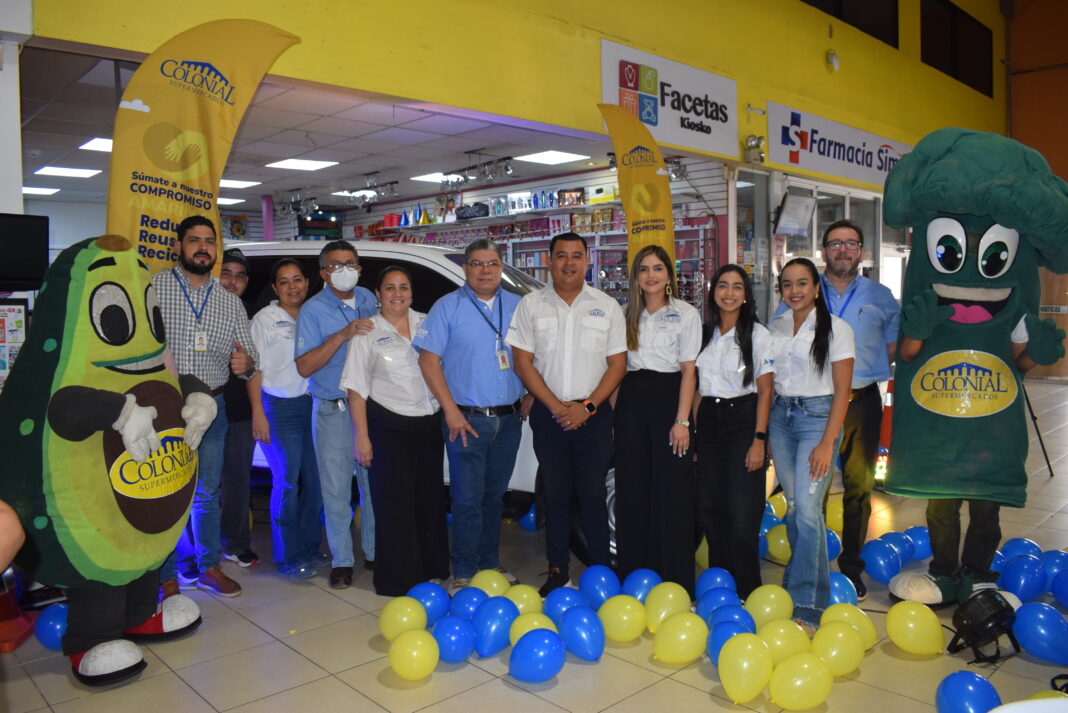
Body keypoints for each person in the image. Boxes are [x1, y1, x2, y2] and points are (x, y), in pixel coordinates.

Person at [507, 232, 627, 596]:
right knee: (555, 496)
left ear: (587, 261)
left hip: (593, 416)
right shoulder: (531, 306)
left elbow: (617, 365)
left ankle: (600, 571)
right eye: (562, 256)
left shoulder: (606, 306)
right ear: (550, 260)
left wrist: (587, 407)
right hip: (550, 415)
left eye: (577, 256)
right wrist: (556, 406)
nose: (569, 263)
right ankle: (557, 569)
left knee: (592, 494)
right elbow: (522, 362)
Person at [415, 238, 528, 592]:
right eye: (477, 263)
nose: (485, 270)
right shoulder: (447, 307)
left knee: (495, 497)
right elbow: (427, 360)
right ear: (465, 268)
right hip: (466, 421)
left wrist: (531, 394)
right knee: (466, 499)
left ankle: (489, 565)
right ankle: (464, 570)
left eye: (492, 263)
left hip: (509, 420)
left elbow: (533, 355)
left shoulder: (518, 306)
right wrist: (449, 411)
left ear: (501, 268)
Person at [154, 215, 258, 598]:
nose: (203, 247)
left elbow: (251, 353)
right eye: (194, 240)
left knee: (207, 493)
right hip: (166, 409)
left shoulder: (229, 302)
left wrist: (247, 364)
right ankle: (165, 575)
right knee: (166, 492)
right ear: (179, 246)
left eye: (209, 241)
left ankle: (209, 566)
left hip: (214, 409)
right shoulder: (155, 287)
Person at [342, 267, 450, 595]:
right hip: (388, 428)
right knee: (395, 506)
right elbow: (356, 390)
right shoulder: (367, 332)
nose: (397, 293)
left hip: (428, 426)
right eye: (389, 288)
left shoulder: (428, 322)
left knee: (429, 503)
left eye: (403, 287)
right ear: (378, 294)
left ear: (412, 292)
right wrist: (361, 436)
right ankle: (400, 580)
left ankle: (431, 571)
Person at [767, 257, 853, 628]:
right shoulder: (776, 325)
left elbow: (843, 391)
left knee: (806, 508)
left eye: (802, 283)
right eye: (787, 284)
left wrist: (826, 442)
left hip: (817, 421)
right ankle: (796, 583)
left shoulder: (837, 329)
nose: (795, 291)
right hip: (780, 418)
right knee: (795, 508)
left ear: (816, 287)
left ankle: (808, 602)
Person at [818, 220, 900, 600]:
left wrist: (865, 372)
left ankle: (851, 568)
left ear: (861, 253)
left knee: (859, 489)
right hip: (815, 403)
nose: (843, 251)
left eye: (851, 244)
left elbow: (893, 345)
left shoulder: (880, 296)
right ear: (824, 252)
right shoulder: (804, 289)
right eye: (835, 244)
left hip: (862, 403)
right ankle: (814, 567)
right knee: (813, 490)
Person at [613, 244, 701, 597]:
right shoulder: (624, 315)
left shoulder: (686, 314)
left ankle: (677, 581)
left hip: (670, 400)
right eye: (644, 269)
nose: (651, 275)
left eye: (658, 268)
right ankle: (634, 577)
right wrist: (618, 416)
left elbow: (689, 372)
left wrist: (682, 421)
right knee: (632, 490)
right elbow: (617, 370)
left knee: (673, 491)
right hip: (631, 402)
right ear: (636, 277)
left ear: (669, 275)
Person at [295, 240, 375, 590]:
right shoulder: (313, 311)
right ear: (324, 273)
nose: (345, 270)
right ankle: (342, 560)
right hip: (333, 409)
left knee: (374, 488)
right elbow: (304, 366)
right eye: (336, 265)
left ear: (359, 267)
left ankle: (374, 552)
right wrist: (342, 335)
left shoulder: (372, 300)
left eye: (351, 263)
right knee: (337, 491)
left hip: (372, 410)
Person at [694, 264, 774, 599]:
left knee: (743, 514)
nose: (729, 293)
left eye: (737, 287)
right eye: (723, 286)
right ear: (713, 292)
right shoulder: (704, 333)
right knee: (711, 509)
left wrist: (759, 440)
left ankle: (747, 591)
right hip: (708, 422)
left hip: (743, 420)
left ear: (745, 295)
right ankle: (719, 589)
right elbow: (698, 390)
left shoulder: (758, 335)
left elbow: (766, 391)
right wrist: (695, 434)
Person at [248, 259, 324, 580]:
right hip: (279, 409)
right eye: (284, 282)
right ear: (275, 287)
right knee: (287, 484)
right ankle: (288, 556)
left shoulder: (315, 314)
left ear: (307, 283)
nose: (292, 287)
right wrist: (258, 413)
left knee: (317, 484)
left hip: (314, 406)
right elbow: (254, 369)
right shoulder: (265, 320)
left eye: (297, 280)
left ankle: (309, 547)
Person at [217, 248, 260, 569]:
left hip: (241, 412)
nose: (232, 282)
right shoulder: (196, 311)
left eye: (240, 275)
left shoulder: (253, 315)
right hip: (199, 410)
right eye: (226, 273)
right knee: (199, 486)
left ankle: (235, 543)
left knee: (237, 481)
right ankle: (194, 551)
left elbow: (259, 365)